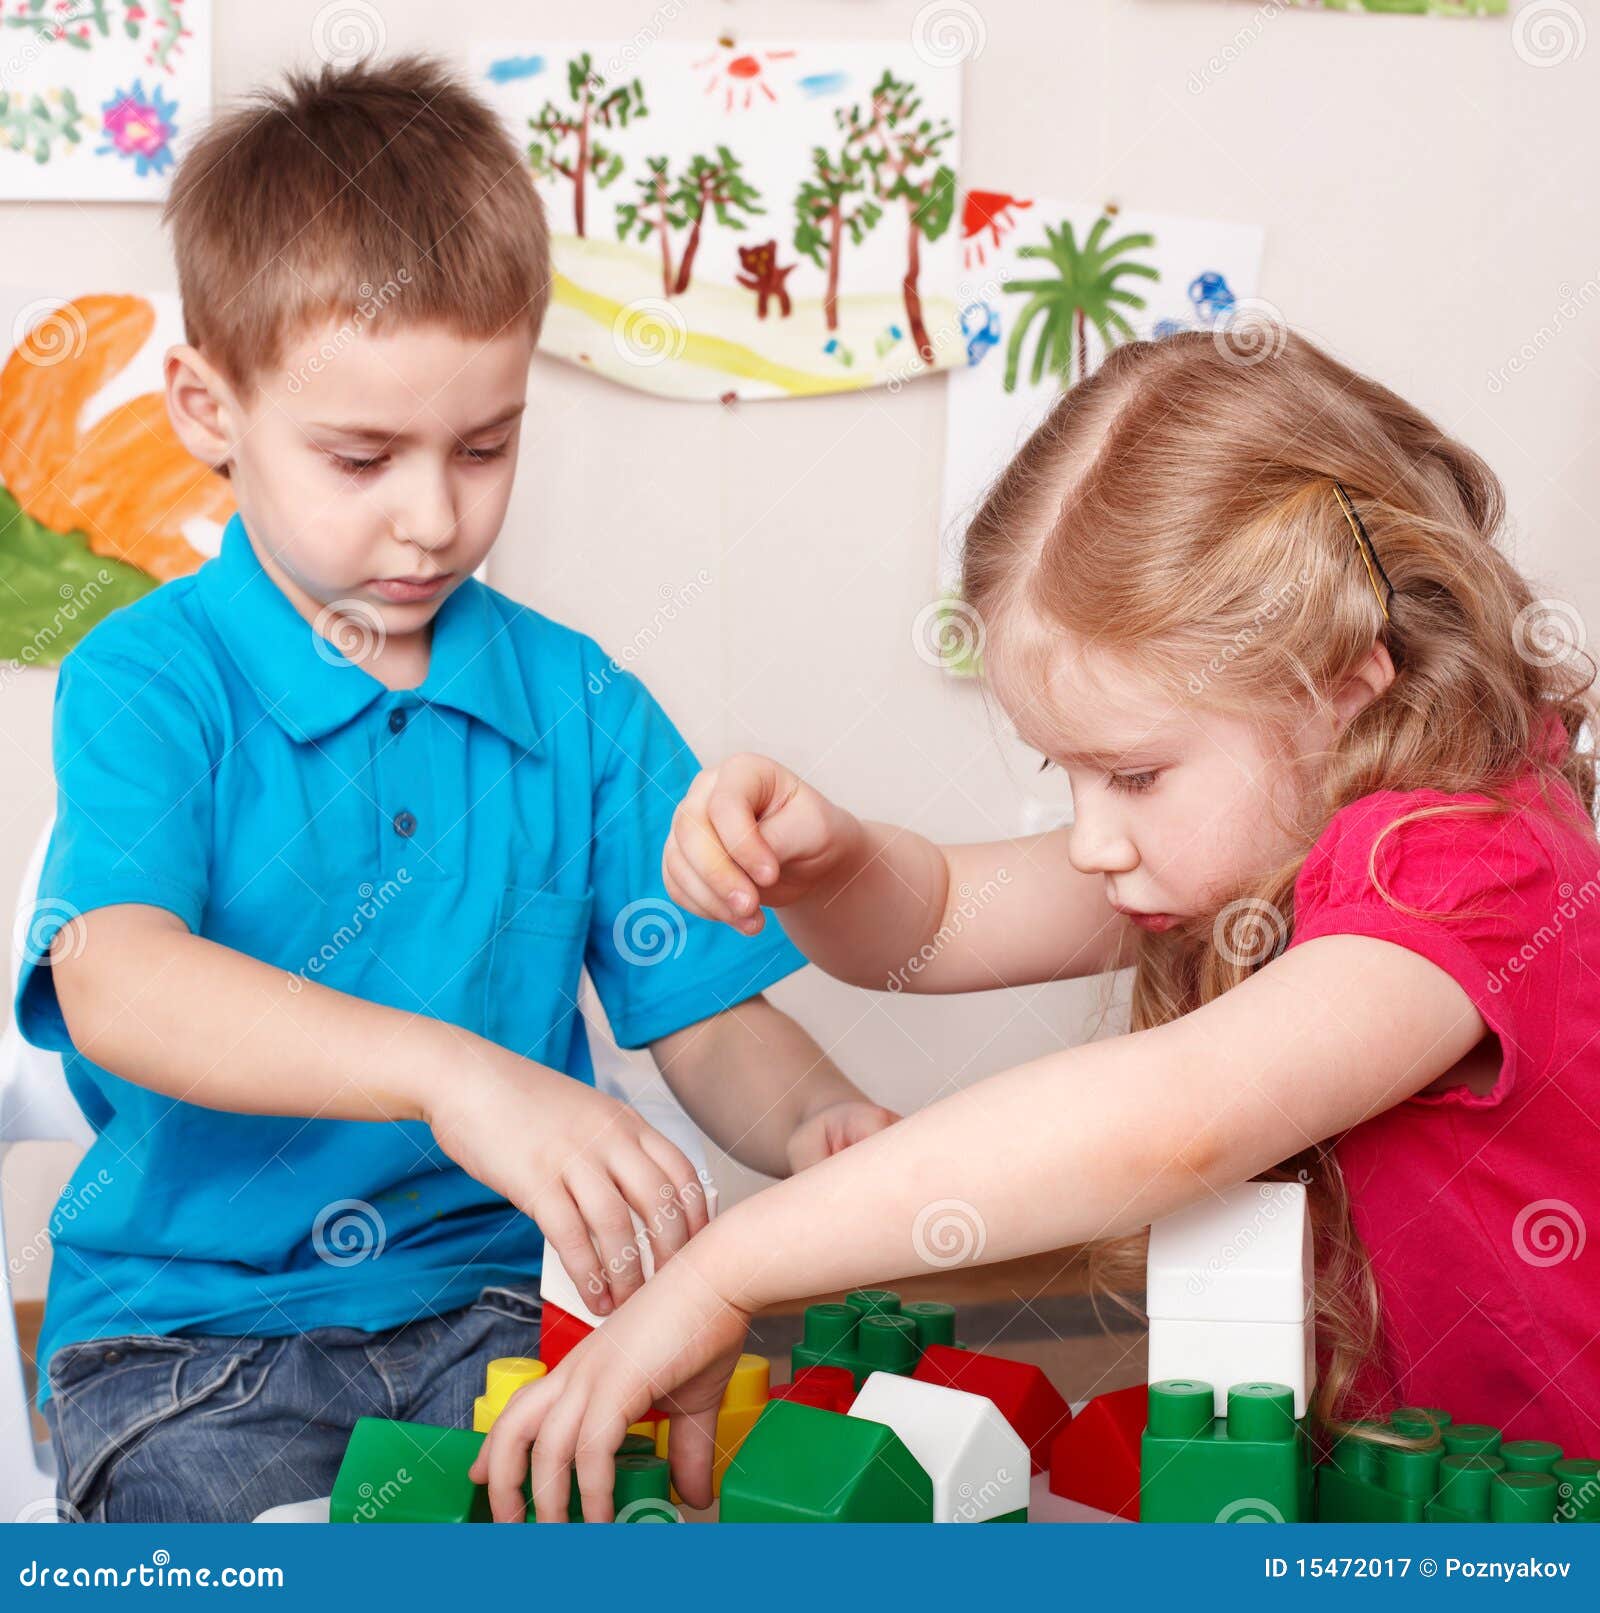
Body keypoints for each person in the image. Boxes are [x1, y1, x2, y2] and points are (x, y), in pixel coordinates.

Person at [473, 326, 1600, 1521]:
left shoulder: (1468, 873)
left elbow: (1170, 1124)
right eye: (1062, 771)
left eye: (1134, 773)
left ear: (1339, 688)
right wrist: (833, 862)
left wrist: (728, 1265)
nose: (1090, 838)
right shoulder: (1259, 831)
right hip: (1406, 1493)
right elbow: (939, 922)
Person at [14, 55, 895, 1524]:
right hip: (192, 1347)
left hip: (501, 1314)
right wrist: (455, 1073)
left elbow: (707, 1014)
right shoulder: (147, 680)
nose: (435, 517)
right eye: (361, 457)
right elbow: (119, 981)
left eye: (485, 448)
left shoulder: (579, 703)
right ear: (206, 408)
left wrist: (820, 1124)